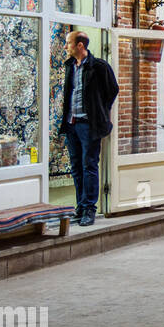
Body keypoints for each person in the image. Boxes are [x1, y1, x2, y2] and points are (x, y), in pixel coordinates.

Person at [59, 30, 120, 226]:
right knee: (76, 167)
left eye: (68, 43)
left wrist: (100, 111)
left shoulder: (99, 67)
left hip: (89, 125)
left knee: (89, 166)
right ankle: (80, 205)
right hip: (72, 123)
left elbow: (112, 90)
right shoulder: (70, 66)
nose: (65, 46)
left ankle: (89, 209)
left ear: (80, 45)